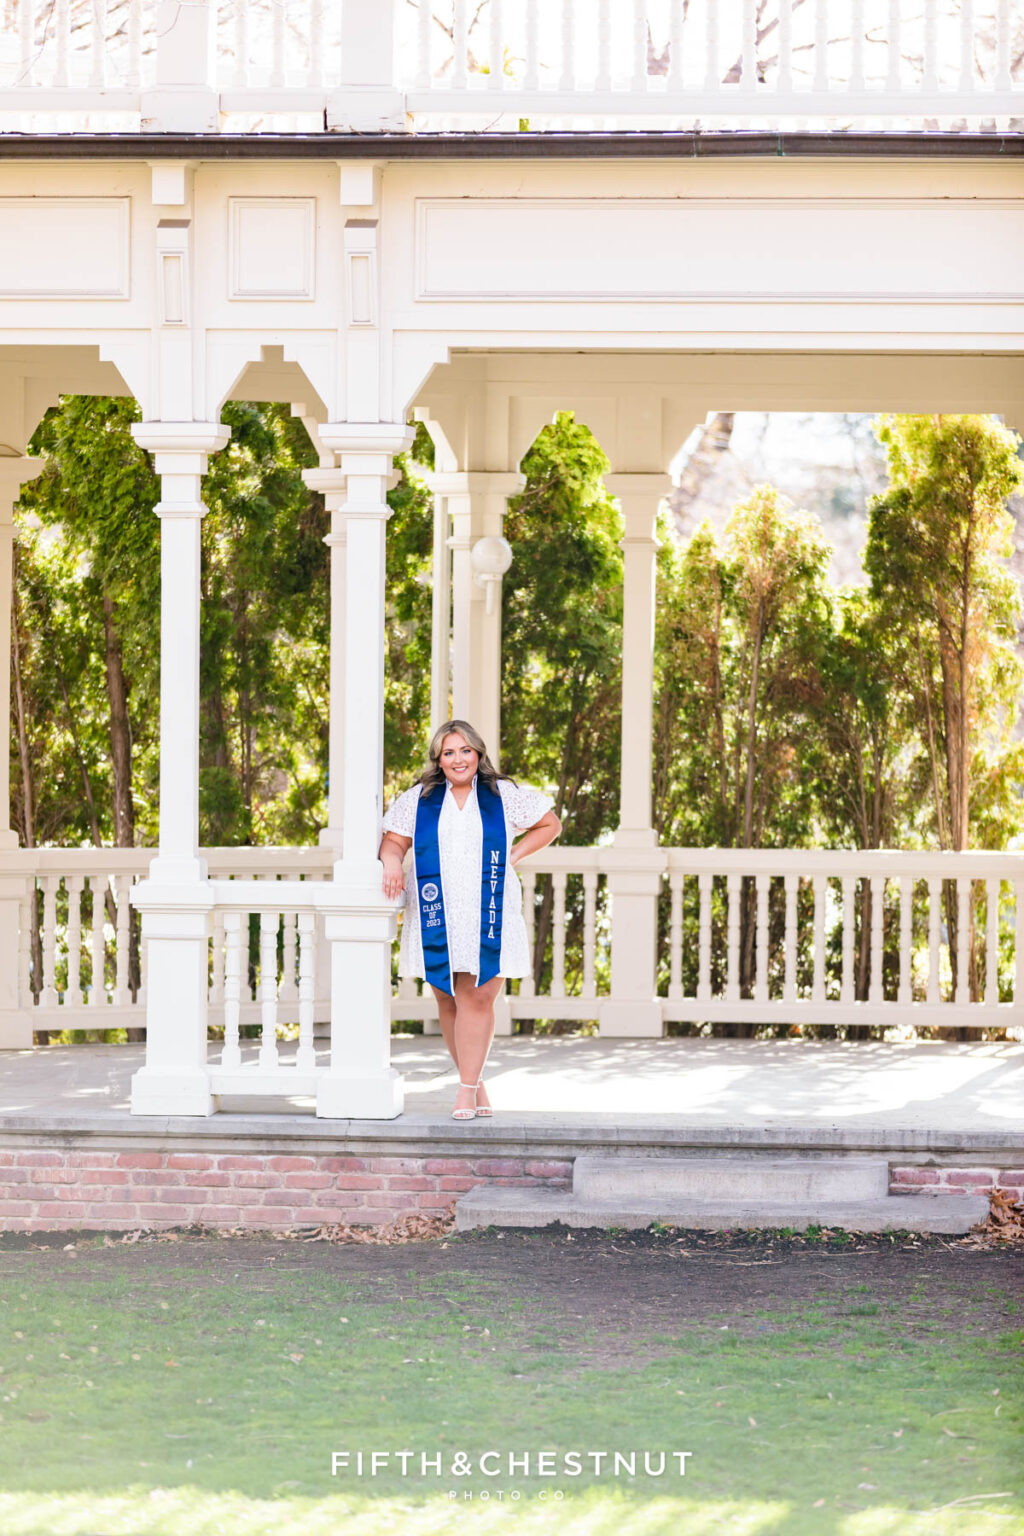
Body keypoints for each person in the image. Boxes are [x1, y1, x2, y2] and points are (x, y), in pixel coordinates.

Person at [379, 720, 562, 1121]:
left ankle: (463, 1091)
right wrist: (392, 862)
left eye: (465, 750)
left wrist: (513, 857)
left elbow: (550, 824)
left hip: (489, 909)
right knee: (448, 998)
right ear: (438, 760)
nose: (458, 759)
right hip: (437, 911)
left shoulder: (502, 795)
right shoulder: (420, 799)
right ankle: (475, 1082)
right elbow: (393, 840)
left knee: (477, 996)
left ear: (478, 754)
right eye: (449, 752)